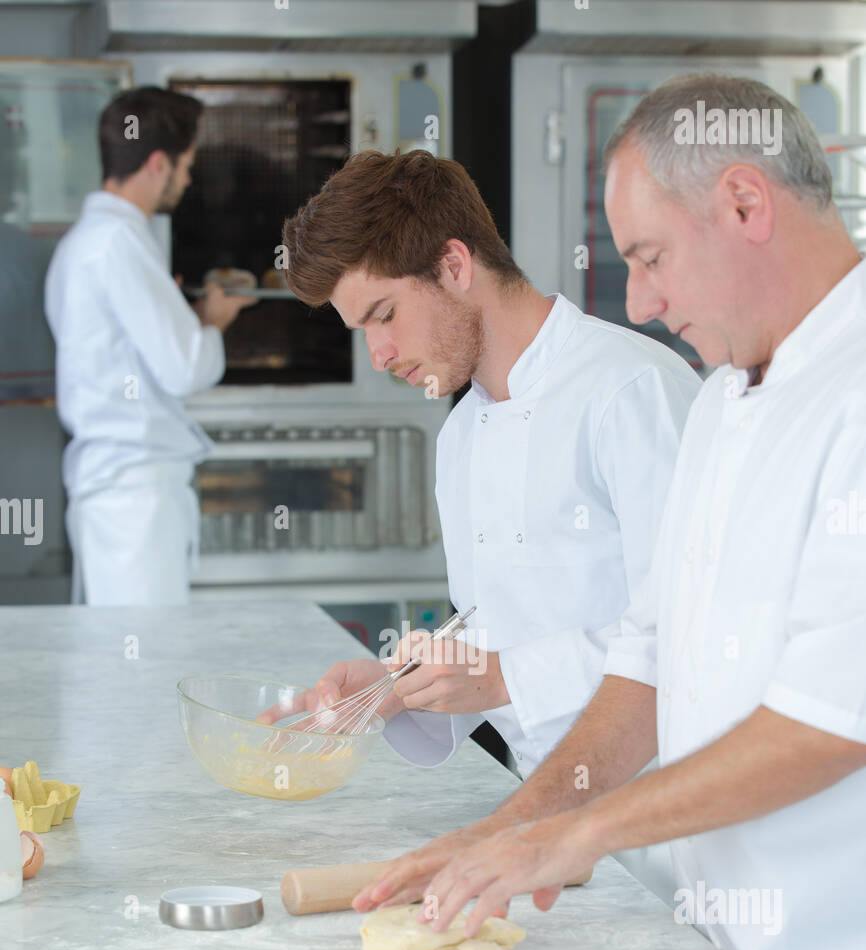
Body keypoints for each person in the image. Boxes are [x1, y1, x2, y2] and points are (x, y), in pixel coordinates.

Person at [356, 75, 866, 950]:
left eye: (648, 256)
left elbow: (826, 722)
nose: (637, 299)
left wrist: (576, 835)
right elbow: (647, 664)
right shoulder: (727, 400)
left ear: (744, 204)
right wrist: (503, 829)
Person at [276, 150, 700, 901]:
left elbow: (691, 643)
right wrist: (394, 690)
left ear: (454, 265)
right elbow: (491, 631)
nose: (378, 354)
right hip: (542, 837)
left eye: (383, 315)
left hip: (672, 838)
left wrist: (502, 677)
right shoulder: (462, 433)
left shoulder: (630, 390)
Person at [44, 87, 254, 605]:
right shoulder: (121, 243)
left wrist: (191, 317)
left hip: (112, 489)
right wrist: (215, 320)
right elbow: (185, 369)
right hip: (135, 493)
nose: (187, 179)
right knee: (142, 662)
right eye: (185, 166)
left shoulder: (82, 243)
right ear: (157, 163)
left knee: (122, 658)